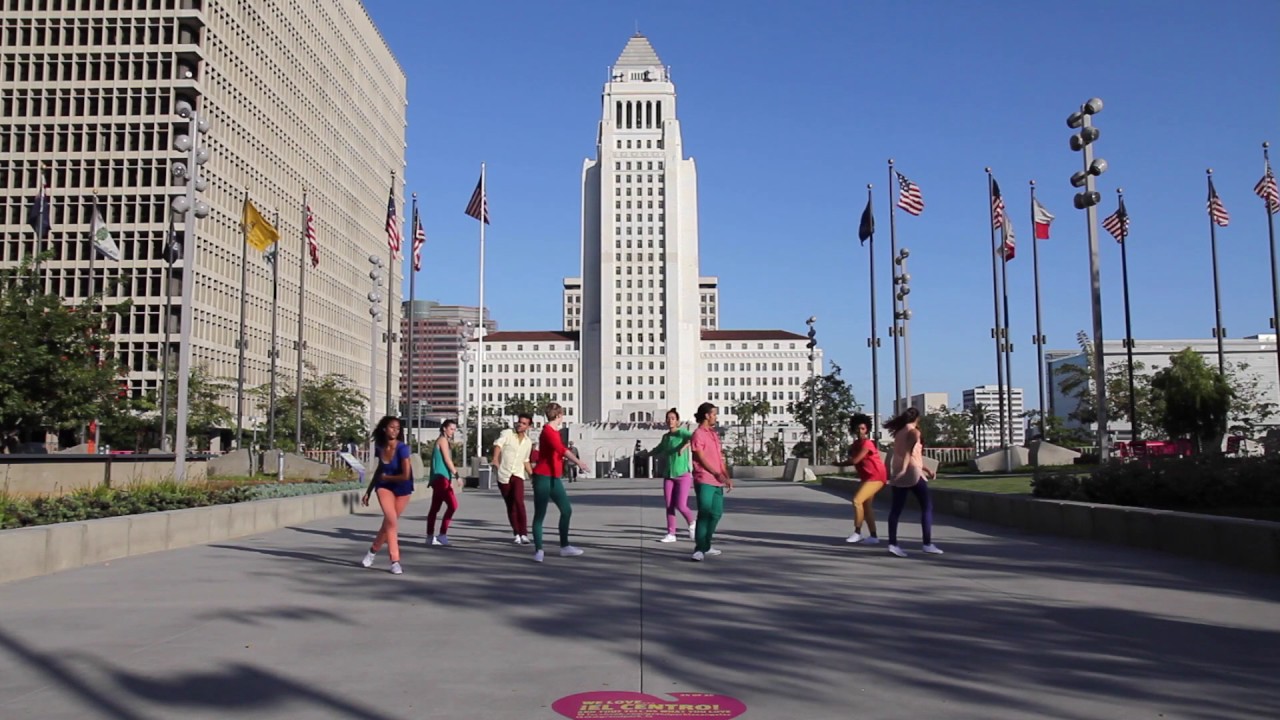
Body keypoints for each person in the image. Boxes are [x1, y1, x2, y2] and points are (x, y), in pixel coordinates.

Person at [529, 402, 590, 563]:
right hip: (543, 476)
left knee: (566, 510)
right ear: (558, 416)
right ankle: (539, 549)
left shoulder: (555, 431)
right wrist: (579, 462)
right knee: (540, 514)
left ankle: (564, 546)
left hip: (555, 478)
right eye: (562, 415)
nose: (562, 417)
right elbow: (561, 450)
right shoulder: (548, 431)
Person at [883, 407, 943, 558]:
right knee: (927, 506)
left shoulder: (899, 433)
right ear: (917, 419)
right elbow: (909, 455)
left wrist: (927, 470)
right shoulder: (914, 432)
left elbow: (908, 455)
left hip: (900, 472)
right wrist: (904, 470)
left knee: (896, 510)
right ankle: (927, 544)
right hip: (912, 473)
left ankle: (893, 544)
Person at [360, 415, 414, 574]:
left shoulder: (403, 449)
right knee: (391, 521)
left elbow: (405, 475)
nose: (395, 431)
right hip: (384, 487)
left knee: (388, 524)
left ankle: (372, 551)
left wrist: (387, 477)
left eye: (398, 429)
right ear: (384, 429)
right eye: (392, 427)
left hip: (403, 489)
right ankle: (395, 561)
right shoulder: (380, 447)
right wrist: (368, 491)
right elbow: (379, 470)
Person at [689, 402, 732, 562]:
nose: (715, 417)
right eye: (714, 414)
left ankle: (707, 545)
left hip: (718, 480)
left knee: (716, 514)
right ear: (707, 415)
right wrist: (715, 473)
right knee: (705, 512)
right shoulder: (698, 434)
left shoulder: (713, 434)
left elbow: (720, 458)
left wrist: (725, 475)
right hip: (704, 478)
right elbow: (700, 456)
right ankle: (699, 548)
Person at [836, 413, 886, 544]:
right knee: (866, 506)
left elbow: (856, 460)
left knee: (857, 500)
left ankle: (857, 532)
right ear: (853, 429)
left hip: (876, 477)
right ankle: (874, 536)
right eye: (858, 428)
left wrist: (839, 464)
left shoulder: (867, 444)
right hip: (866, 477)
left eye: (863, 429)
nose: (860, 431)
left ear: (867, 429)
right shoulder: (855, 444)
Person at [649, 408, 695, 543]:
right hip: (669, 475)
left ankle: (692, 523)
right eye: (668, 418)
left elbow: (693, 438)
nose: (670, 421)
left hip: (683, 475)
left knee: (681, 505)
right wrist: (647, 454)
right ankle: (671, 533)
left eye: (673, 418)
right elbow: (659, 449)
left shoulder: (682, 433)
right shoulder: (666, 437)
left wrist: (684, 447)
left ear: (678, 421)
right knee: (669, 505)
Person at [492, 414, 534, 544]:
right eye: (519, 422)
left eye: (523, 423)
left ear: (528, 426)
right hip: (504, 474)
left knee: (519, 501)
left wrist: (532, 475)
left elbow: (526, 460)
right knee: (510, 505)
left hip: (518, 474)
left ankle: (524, 533)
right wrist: (495, 460)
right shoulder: (507, 433)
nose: (520, 425)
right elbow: (498, 445)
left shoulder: (528, 442)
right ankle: (516, 533)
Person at [427, 420, 461, 546]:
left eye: (454, 429)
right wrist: (457, 475)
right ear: (444, 429)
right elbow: (447, 460)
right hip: (441, 479)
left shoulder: (443, 441)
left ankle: (430, 536)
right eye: (451, 429)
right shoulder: (442, 440)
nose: (453, 431)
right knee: (453, 505)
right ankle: (442, 534)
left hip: (440, 478)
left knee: (434, 509)